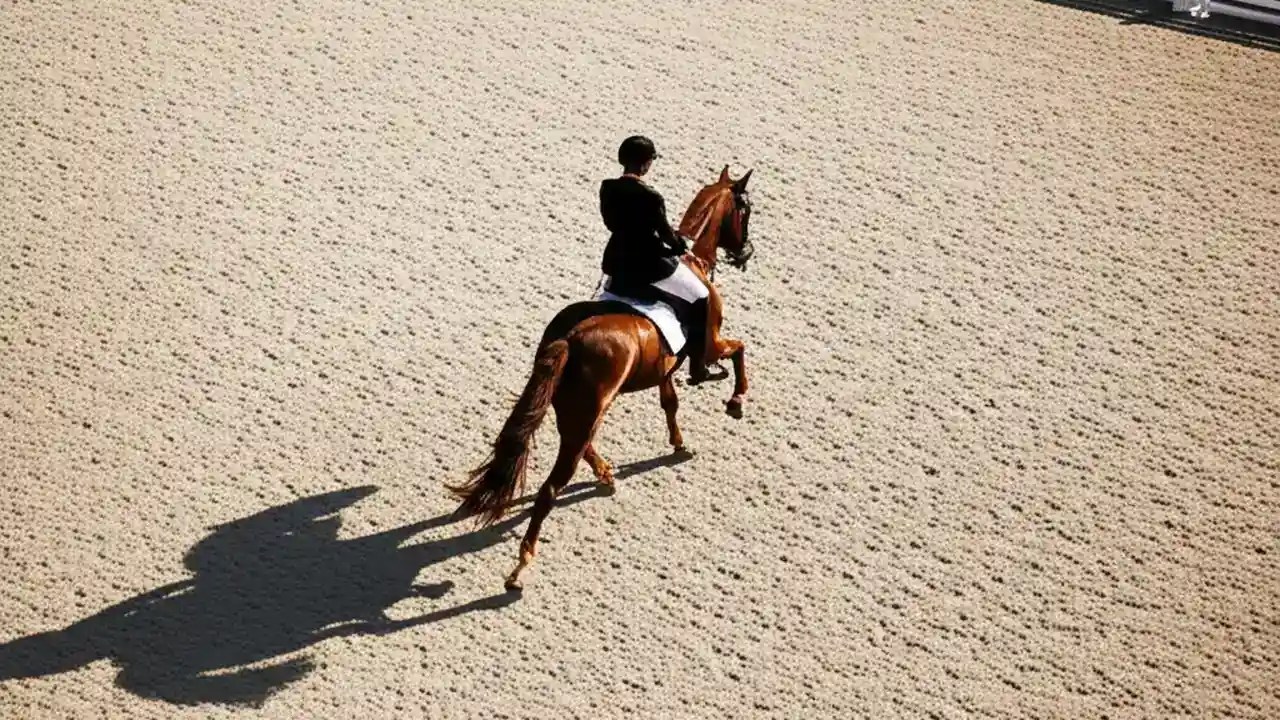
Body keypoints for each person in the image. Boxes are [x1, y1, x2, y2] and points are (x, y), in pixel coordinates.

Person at [599, 135, 713, 384]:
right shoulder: (651, 196)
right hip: (649, 264)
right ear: (645, 164)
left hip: (616, 259)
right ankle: (698, 367)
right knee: (702, 296)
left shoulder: (607, 187)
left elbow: (610, 223)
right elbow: (665, 234)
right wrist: (683, 248)